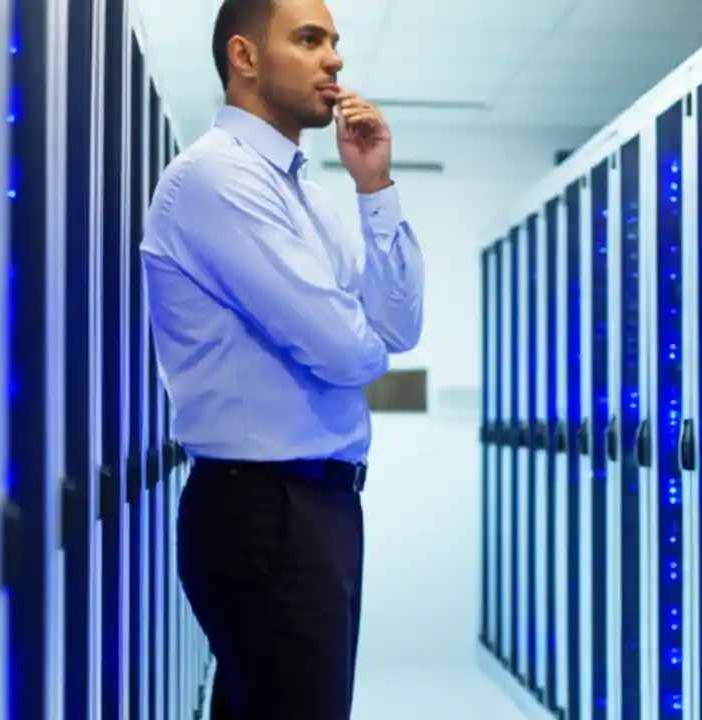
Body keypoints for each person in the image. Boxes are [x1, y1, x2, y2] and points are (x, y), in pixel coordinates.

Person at [140, 0, 425, 716]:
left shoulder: (305, 192)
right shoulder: (217, 180)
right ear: (245, 57)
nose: (333, 59)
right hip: (266, 514)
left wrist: (373, 186)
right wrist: (356, 333)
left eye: (334, 42)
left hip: (309, 509)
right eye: (308, 39)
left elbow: (397, 327)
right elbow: (347, 353)